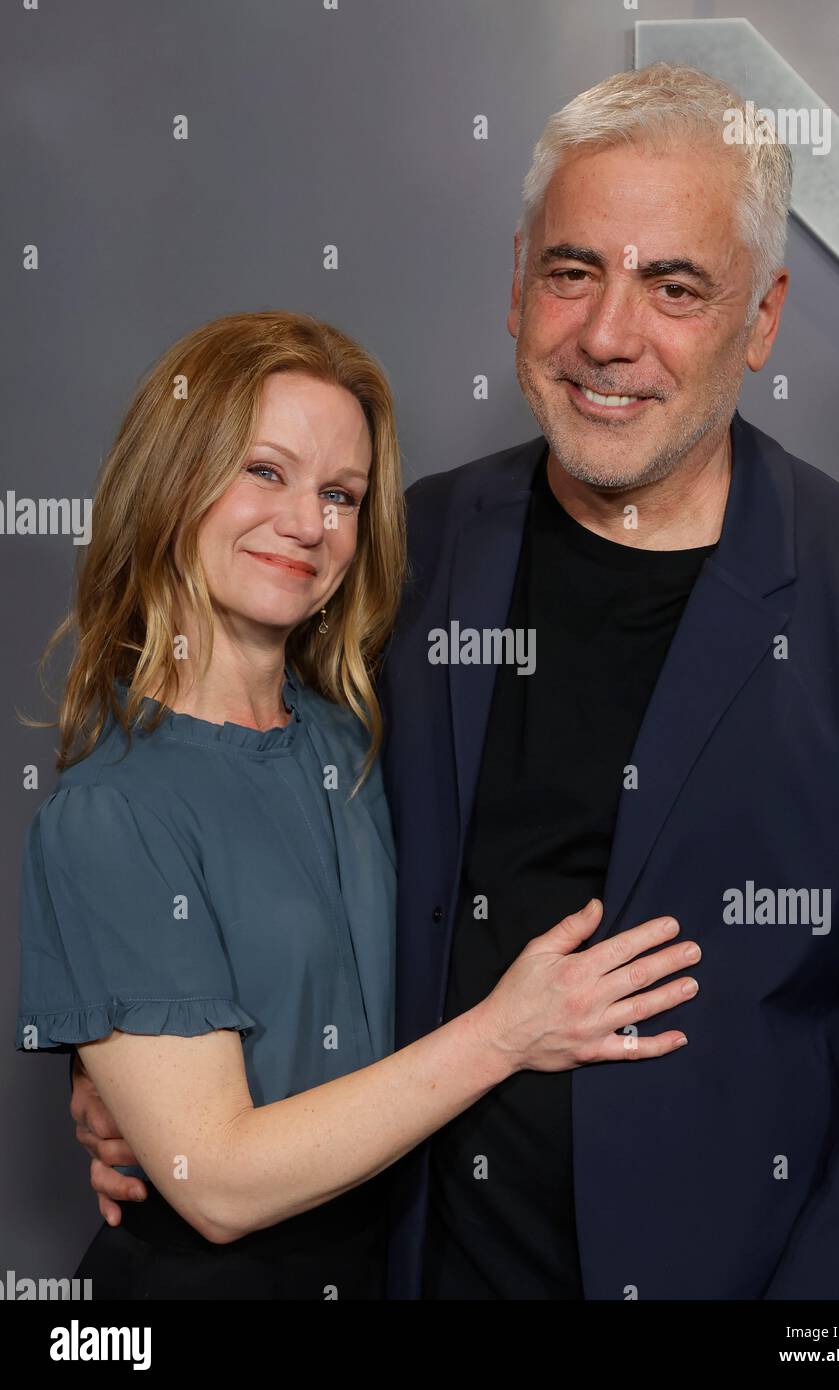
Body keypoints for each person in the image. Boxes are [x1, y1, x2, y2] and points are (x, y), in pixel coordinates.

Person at [77, 62, 839, 1300]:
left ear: (759, 322)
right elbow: (246, 836)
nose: (608, 334)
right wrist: (149, 1066)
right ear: (514, 285)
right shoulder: (405, 547)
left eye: (673, 285)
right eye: (572, 271)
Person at [16, 310, 701, 1300]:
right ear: (171, 481)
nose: (306, 524)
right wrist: (505, 1033)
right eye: (264, 471)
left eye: (340, 493)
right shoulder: (111, 811)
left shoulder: (370, 739)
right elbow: (212, 1180)